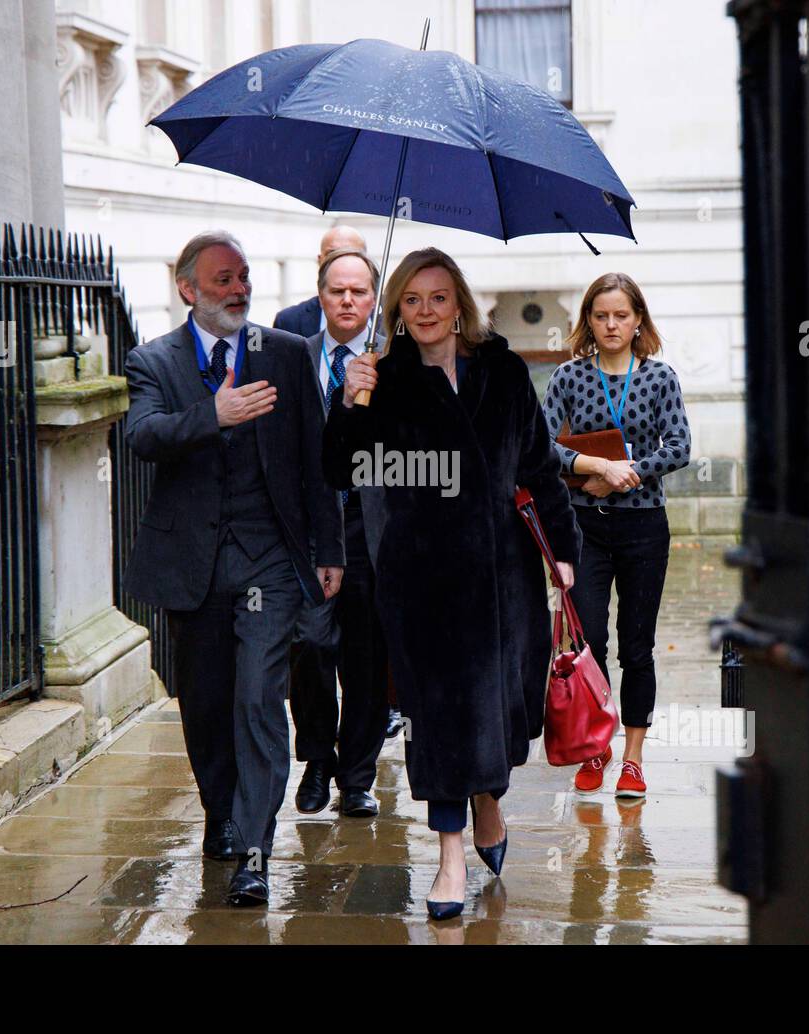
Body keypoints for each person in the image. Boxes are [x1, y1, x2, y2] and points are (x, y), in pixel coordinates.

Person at [324, 247, 580, 920]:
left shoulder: (501, 370)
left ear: (459, 303)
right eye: (412, 300)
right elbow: (340, 469)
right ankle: (448, 858)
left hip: (502, 575)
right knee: (439, 714)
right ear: (397, 310)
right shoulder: (383, 376)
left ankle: (489, 802)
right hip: (420, 577)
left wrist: (565, 551)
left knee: (495, 708)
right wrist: (351, 401)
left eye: (438, 297)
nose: (427, 310)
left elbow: (541, 465)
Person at [122, 230, 344, 908]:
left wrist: (329, 547)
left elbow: (316, 458)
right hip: (193, 568)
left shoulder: (284, 354)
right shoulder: (152, 361)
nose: (238, 288)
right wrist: (209, 414)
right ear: (188, 288)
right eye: (222, 279)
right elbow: (140, 437)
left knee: (257, 701)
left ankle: (254, 851)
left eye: (243, 276)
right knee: (208, 708)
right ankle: (221, 813)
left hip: (269, 563)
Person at [540, 272, 691, 800]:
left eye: (620, 316)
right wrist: (595, 465)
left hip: (644, 525)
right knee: (591, 643)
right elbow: (538, 444)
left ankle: (632, 758)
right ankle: (597, 742)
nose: (610, 325)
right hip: (583, 525)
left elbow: (679, 447)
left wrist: (633, 470)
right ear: (587, 320)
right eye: (601, 316)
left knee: (638, 646)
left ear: (638, 321)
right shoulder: (568, 378)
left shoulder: (659, 378)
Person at [288, 247, 391, 817]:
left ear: (373, 299)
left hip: (368, 524)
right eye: (337, 291)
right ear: (320, 296)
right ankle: (316, 760)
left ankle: (356, 774)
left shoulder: (391, 366)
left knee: (367, 655)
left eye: (359, 291)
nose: (348, 300)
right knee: (309, 645)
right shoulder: (291, 356)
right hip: (309, 530)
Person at [273, 224, 367, 338]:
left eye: (351, 255)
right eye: (332, 254)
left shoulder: (391, 320)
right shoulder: (288, 322)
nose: (341, 262)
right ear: (319, 260)